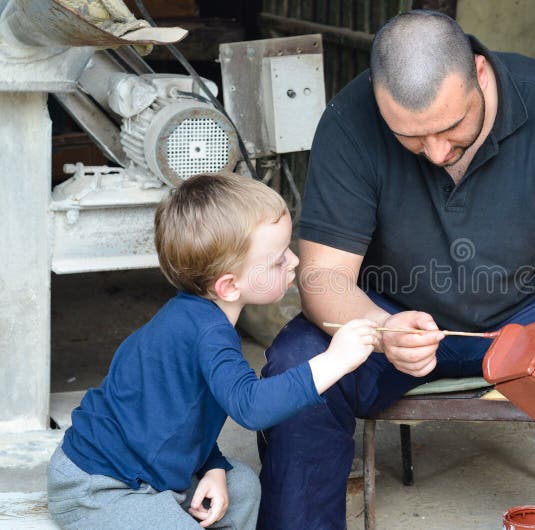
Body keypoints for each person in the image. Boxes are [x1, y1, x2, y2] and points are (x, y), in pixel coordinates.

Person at [257, 10, 535, 529]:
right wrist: (382, 327)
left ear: (480, 73)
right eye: (411, 138)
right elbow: (323, 278)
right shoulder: (350, 121)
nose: (436, 152)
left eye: (451, 127)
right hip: (393, 322)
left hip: (529, 320)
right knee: (295, 363)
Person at [46, 172, 379, 530]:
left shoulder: (201, 320)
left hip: (152, 473)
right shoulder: (204, 334)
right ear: (230, 286)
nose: (295, 261)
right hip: (99, 487)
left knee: (243, 486)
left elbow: (178, 420)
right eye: (278, 259)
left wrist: (213, 466)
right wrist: (336, 360)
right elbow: (251, 407)